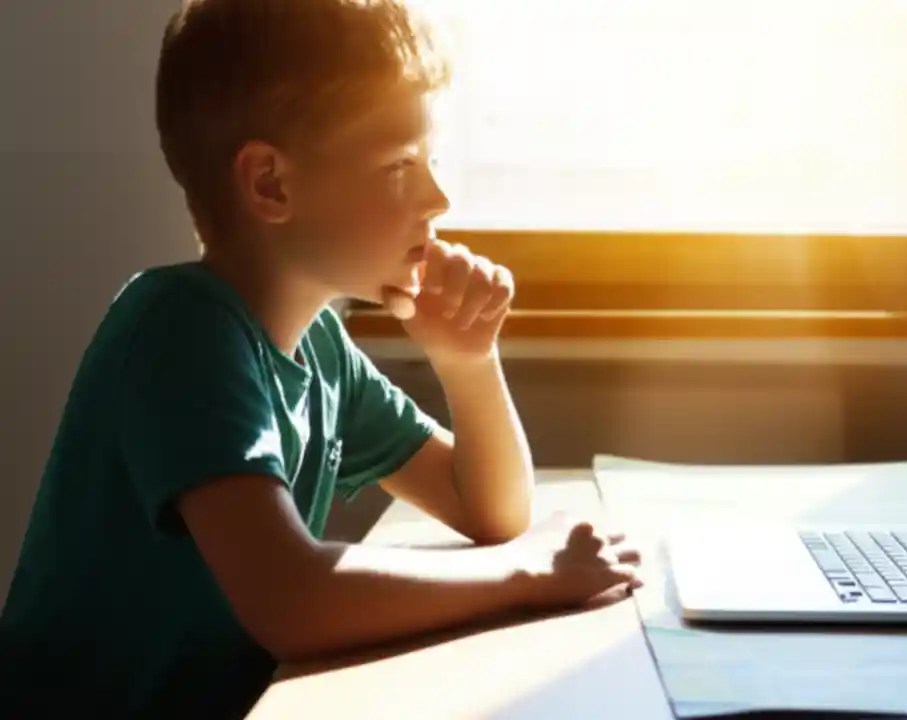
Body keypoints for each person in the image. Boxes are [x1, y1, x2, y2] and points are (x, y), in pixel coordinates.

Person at [0, 1, 642, 716]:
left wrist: (467, 361)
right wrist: (523, 575)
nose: (438, 198)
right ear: (271, 184)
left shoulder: (320, 350)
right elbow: (292, 598)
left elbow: (490, 510)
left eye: (430, 162)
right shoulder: (179, 329)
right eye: (401, 164)